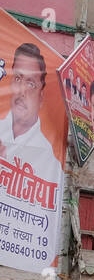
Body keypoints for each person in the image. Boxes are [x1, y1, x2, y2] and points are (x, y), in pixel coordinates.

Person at [0, 43, 63, 189]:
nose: (21, 91)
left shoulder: (49, 161)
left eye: (31, 84)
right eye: (17, 78)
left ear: (41, 97)